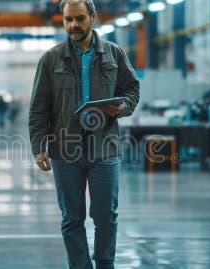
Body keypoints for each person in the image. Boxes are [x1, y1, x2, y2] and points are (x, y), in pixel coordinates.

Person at [28, 0, 140, 268]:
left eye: (79, 19)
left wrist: (122, 107)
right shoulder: (51, 59)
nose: (73, 25)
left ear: (93, 17)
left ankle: (105, 264)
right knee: (72, 218)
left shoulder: (114, 54)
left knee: (105, 216)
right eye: (68, 20)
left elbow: (132, 91)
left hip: (105, 147)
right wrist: (38, 147)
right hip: (65, 149)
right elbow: (39, 107)